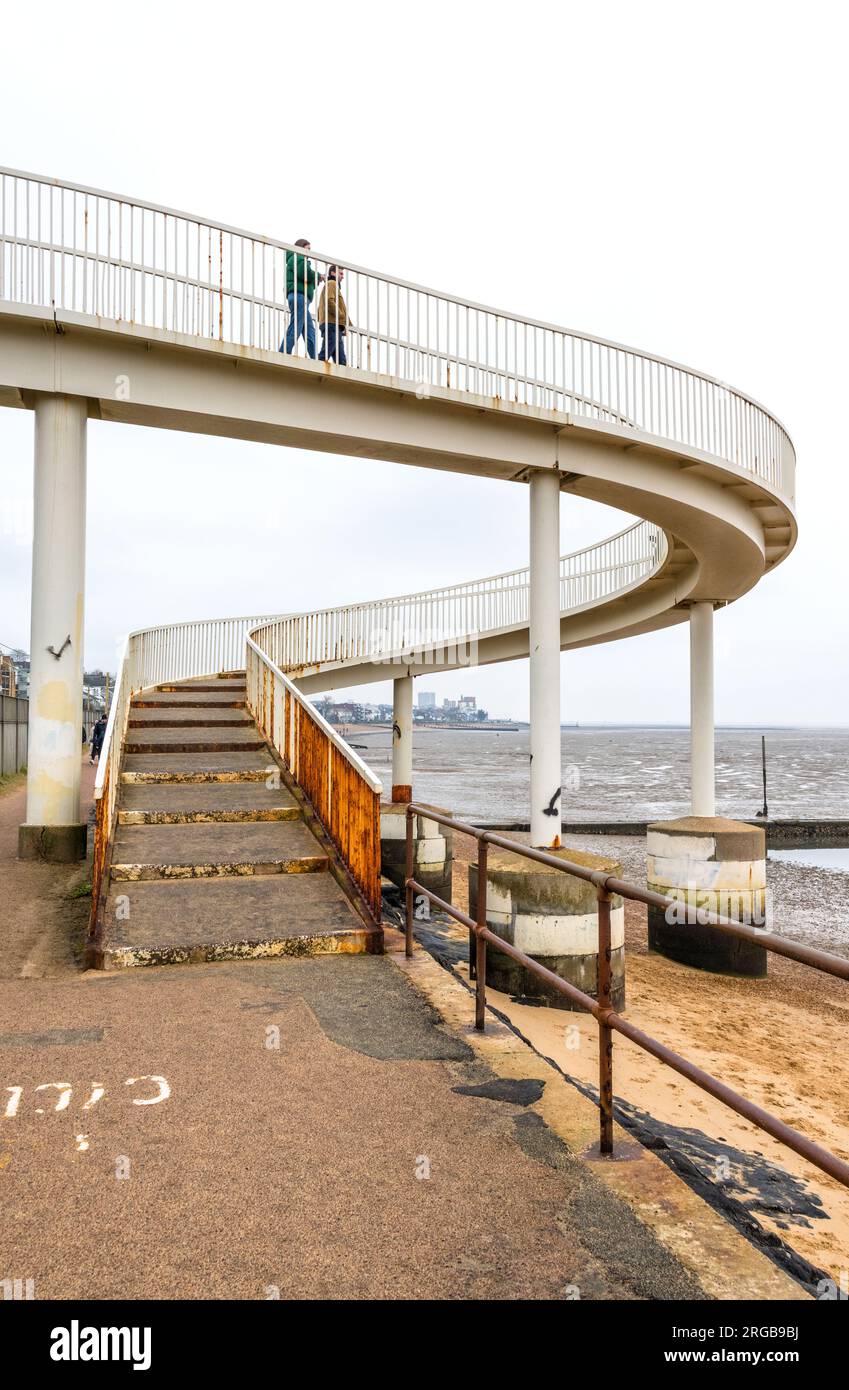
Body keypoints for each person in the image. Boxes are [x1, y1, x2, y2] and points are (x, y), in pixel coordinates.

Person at [281, 239, 321, 358]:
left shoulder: (297, 259)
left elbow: (306, 274)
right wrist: (316, 276)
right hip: (299, 296)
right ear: (301, 247)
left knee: (309, 331)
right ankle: (284, 352)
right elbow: (304, 274)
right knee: (296, 326)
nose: (309, 253)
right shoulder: (297, 257)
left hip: (300, 297)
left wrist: (316, 277)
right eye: (307, 249)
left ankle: (315, 358)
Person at [316, 266, 350, 366]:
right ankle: (317, 366)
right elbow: (329, 301)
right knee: (325, 353)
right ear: (333, 273)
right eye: (341, 274)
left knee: (341, 360)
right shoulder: (332, 283)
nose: (343, 277)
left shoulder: (332, 285)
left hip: (334, 324)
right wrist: (340, 315)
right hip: (331, 323)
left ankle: (343, 375)